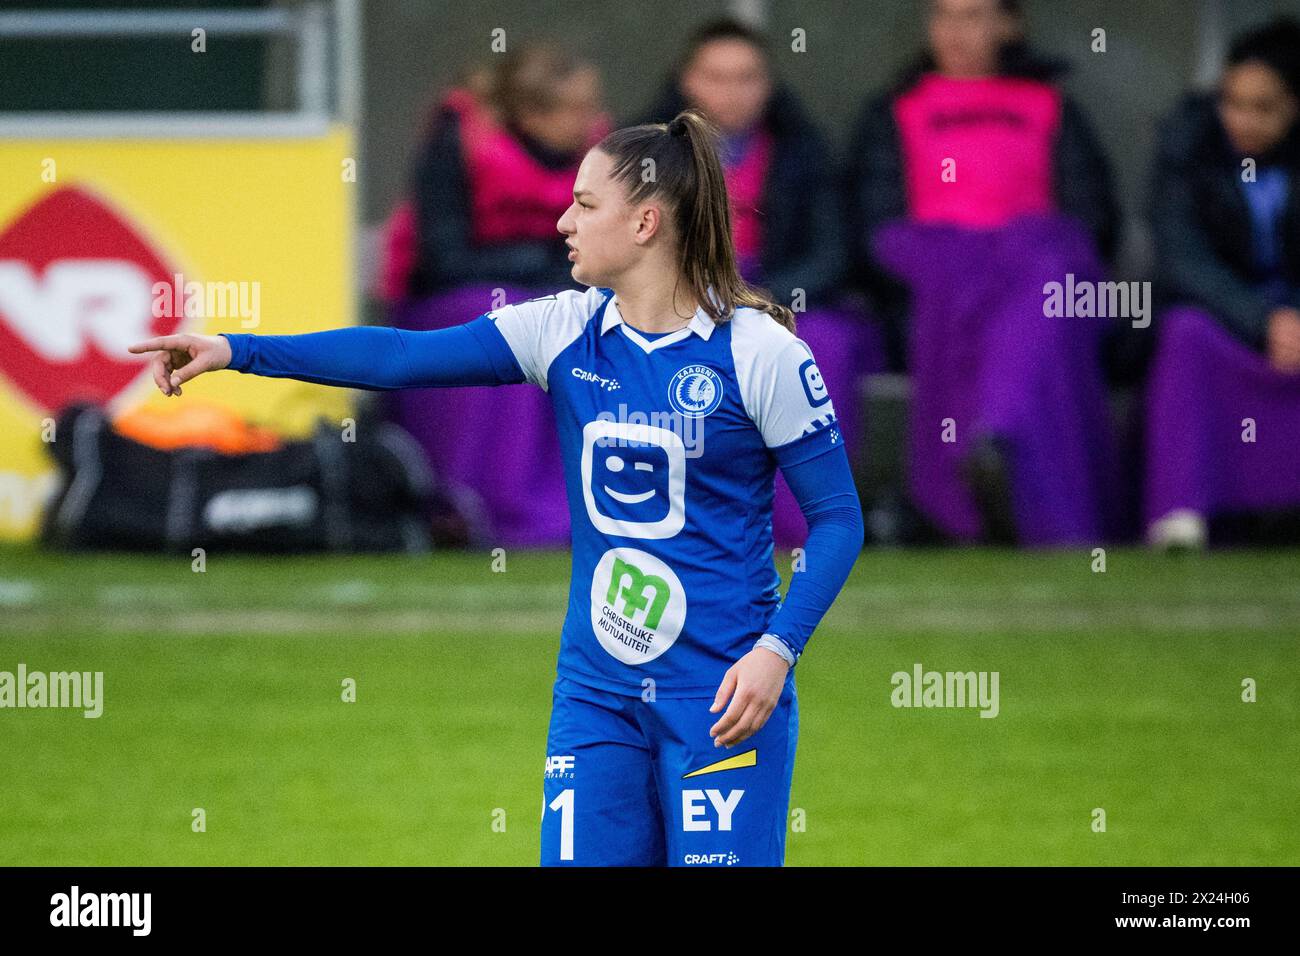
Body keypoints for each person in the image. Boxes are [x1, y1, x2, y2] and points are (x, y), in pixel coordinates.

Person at [128, 110, 864, 867]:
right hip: (597, 696)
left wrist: (777, 651)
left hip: (722, 700)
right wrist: (235, 349)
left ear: (645, 222)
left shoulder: (759, 353)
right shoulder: (563, 329)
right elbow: (398, 356)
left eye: (584, 204)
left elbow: (838, 521)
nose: (561, 220)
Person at [846, 0, 1121, 546]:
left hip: (1032, 269)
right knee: (980, 285)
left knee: (1049, 280)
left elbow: (1093, 221)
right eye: (943, 15)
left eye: (972, 15)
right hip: (937, 273)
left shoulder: (1051, 105)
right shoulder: (895, 110)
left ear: (1008, 25)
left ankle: (995, 444)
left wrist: (1009, 252)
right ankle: (998, 455)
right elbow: (873, 226)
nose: (954, 30)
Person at [635, 17, 879, 548]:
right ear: (686, 81)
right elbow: (624, 242)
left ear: (767, 86)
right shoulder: (644, 152)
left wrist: (759, 300)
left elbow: (833, 252)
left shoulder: (802, 150)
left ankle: (801, 525)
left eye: (746, 77)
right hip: (672, 300)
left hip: (774, 296)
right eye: (716, 77)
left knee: (824, 344)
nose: (731, 92)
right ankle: (668, 517)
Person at [381, 43, 612, 549]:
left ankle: (585, 500)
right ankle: (484, 503)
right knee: (512, 321)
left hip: (549, 290)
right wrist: (534, 264)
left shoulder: (600, 153)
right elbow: (441, 258)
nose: (590, 120)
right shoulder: (459, 140)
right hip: (446, 299)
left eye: (590, 106)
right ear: (530, 112)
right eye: (574, 109)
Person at [1146, 17, 1300, 548]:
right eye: (1233, 103)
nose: (1243, 120)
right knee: (1184, 333)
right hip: (1226, 318)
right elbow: (1181, 255)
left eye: (1265, 107)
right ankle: (1182, 511)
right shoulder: (1189, 144)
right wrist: (1263, 322)